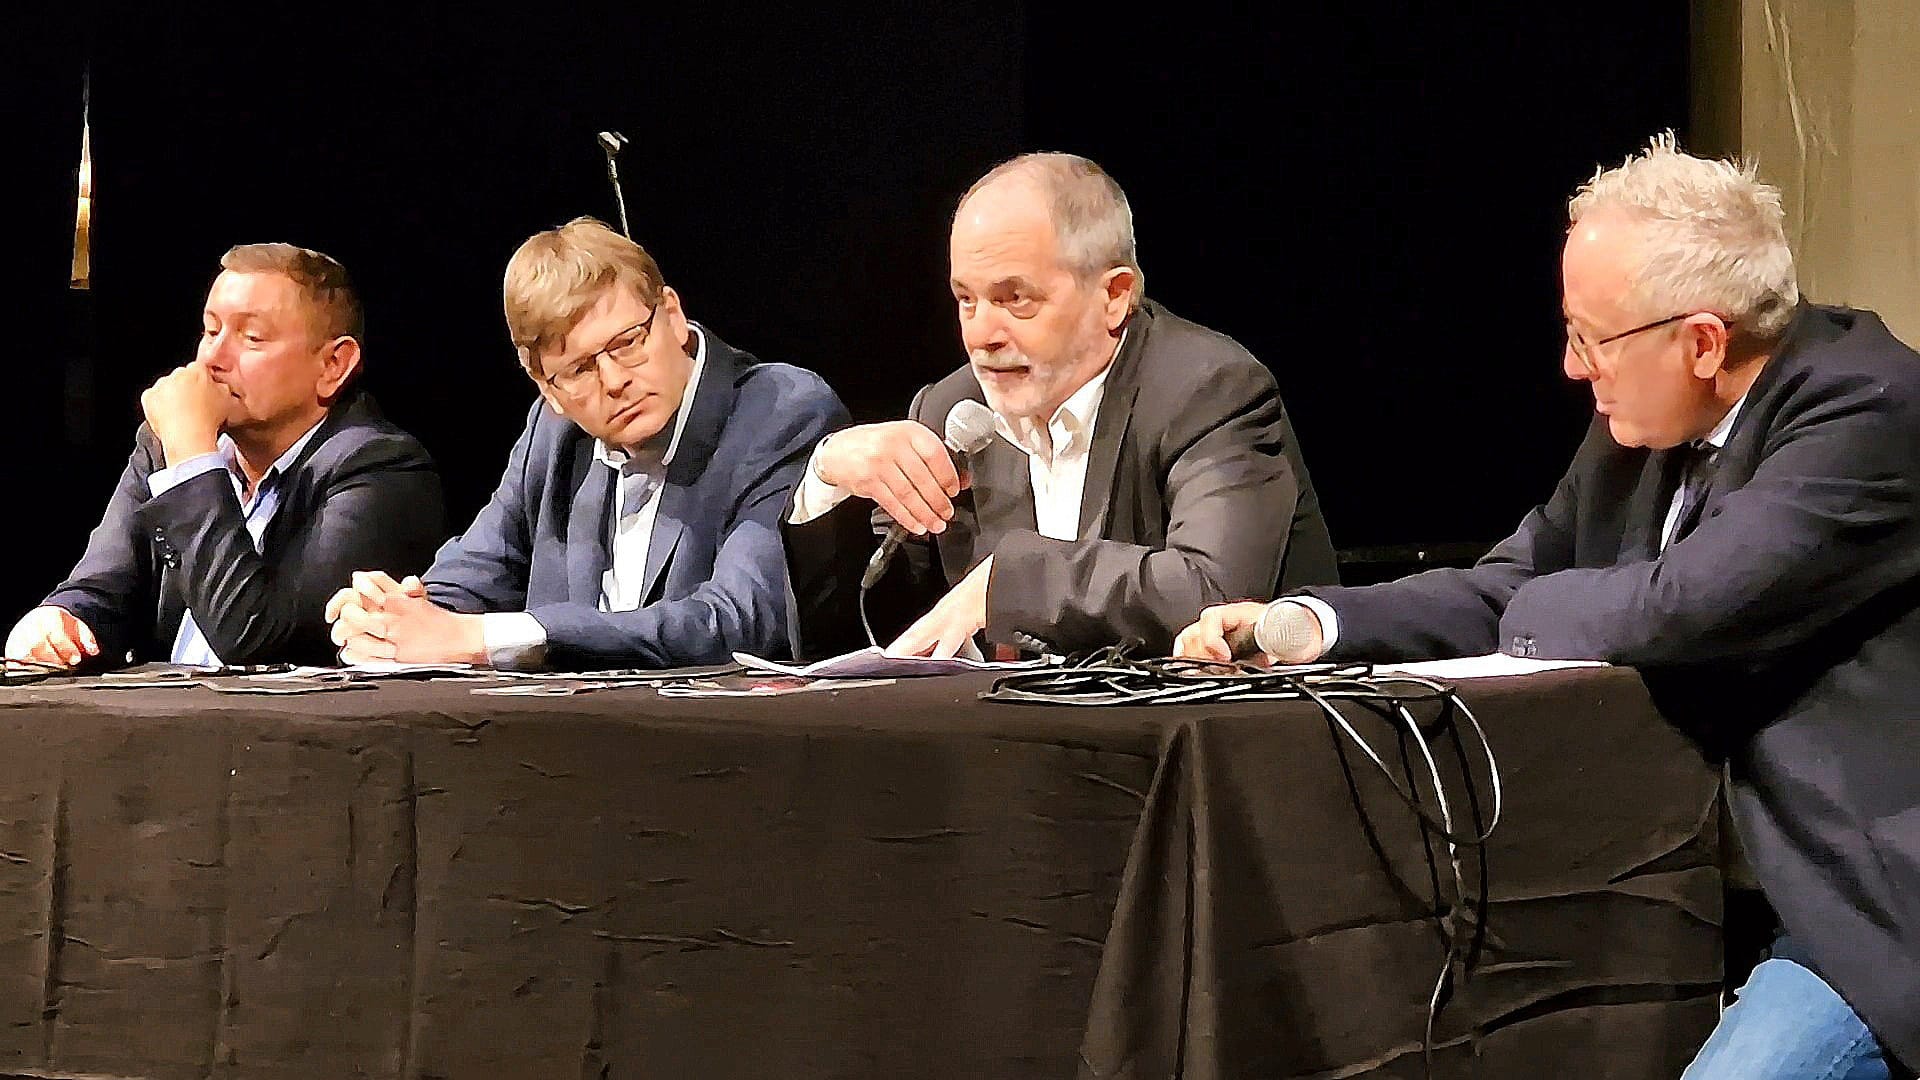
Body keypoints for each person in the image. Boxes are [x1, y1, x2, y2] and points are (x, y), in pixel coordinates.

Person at [1175, 134, 1919, 1079]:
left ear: (1702, 341)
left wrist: (1543, 602)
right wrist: (1306, 624)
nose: (1574, 370)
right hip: (1673, 887)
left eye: (1590, 339)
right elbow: (1504, 583)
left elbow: (1680, 610)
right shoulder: (1639, 426)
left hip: (1857, 906)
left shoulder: (1868, 409)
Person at [783, 152, 1336, 660]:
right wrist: (830, 476)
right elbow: (872, 623)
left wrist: (1016, 581)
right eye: (966, 299)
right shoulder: (951, 408)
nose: (981, 335)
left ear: (1114, 295)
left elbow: (1216, 596)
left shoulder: (1210, 390)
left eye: (1014, 298)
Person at [327, 217, 847, 670]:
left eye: (627, 342)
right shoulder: (554, 435)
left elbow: (737, 622)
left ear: (671, 314)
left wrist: (487, 637)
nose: (615, 380)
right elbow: (470, 578)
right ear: (545, 387)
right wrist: (392, 616)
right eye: (578, 369)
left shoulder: (779, 410)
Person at [4, 243, 444, 672]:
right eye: (210, 331)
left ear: (333, 365)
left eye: (251, 337)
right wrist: (60, 619)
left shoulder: (381, 466)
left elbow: (256, 640)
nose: (212, 357)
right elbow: (99, 591)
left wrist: (192, 456)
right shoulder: (162, 446)